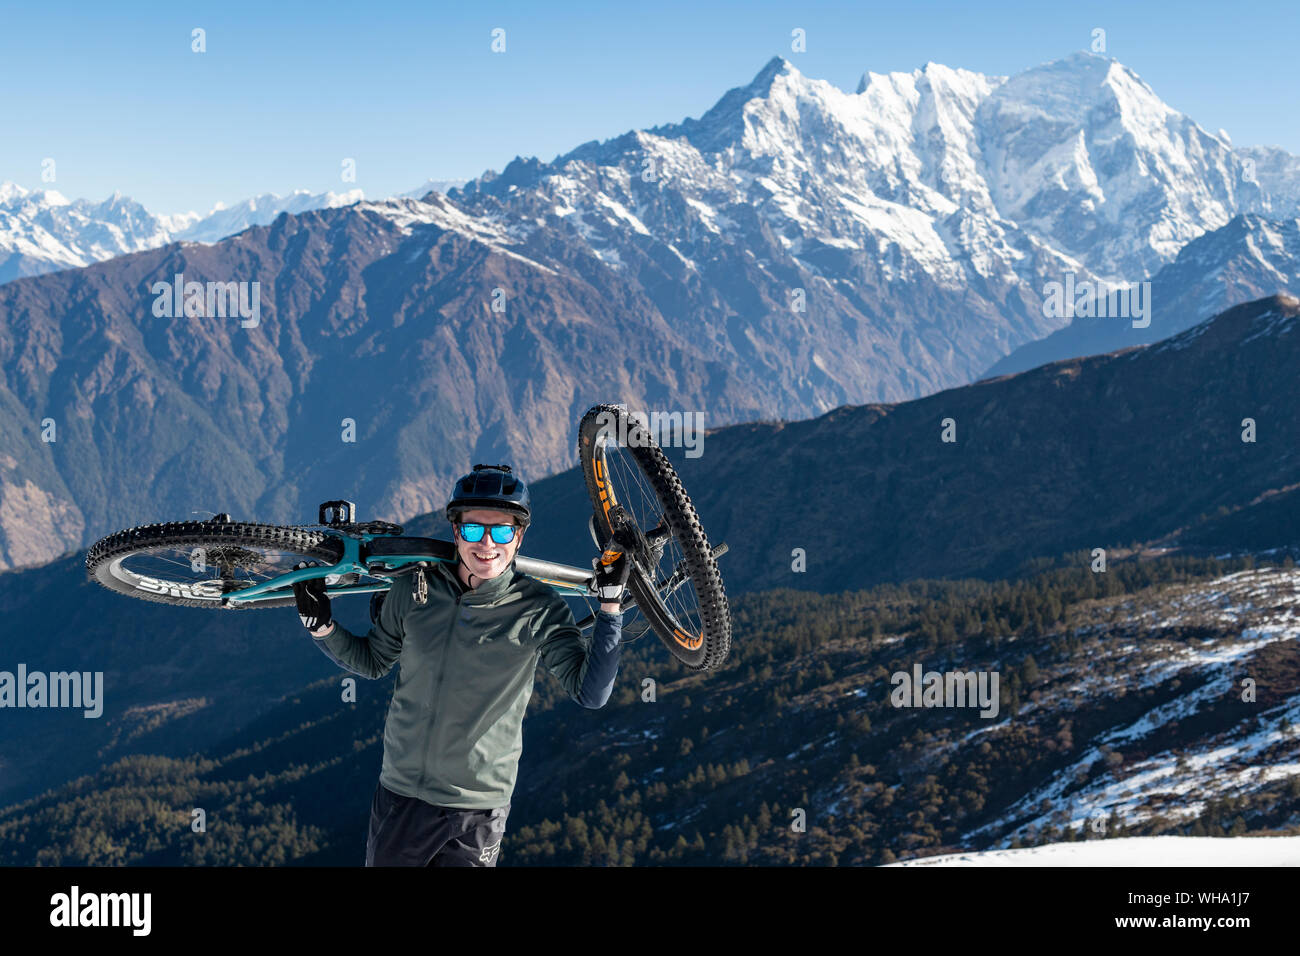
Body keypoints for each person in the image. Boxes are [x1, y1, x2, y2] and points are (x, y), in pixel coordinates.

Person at [293, 463, 629, 866]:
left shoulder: (539, 608)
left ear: (519, 536)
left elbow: (591, 693)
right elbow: (373, 661)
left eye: (501, 530)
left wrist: (609, 608)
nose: (487, 543)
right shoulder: (413, 588)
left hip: (479, 810)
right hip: (403, 797)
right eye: (473, 529)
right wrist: (321, 626)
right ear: (456, 532)